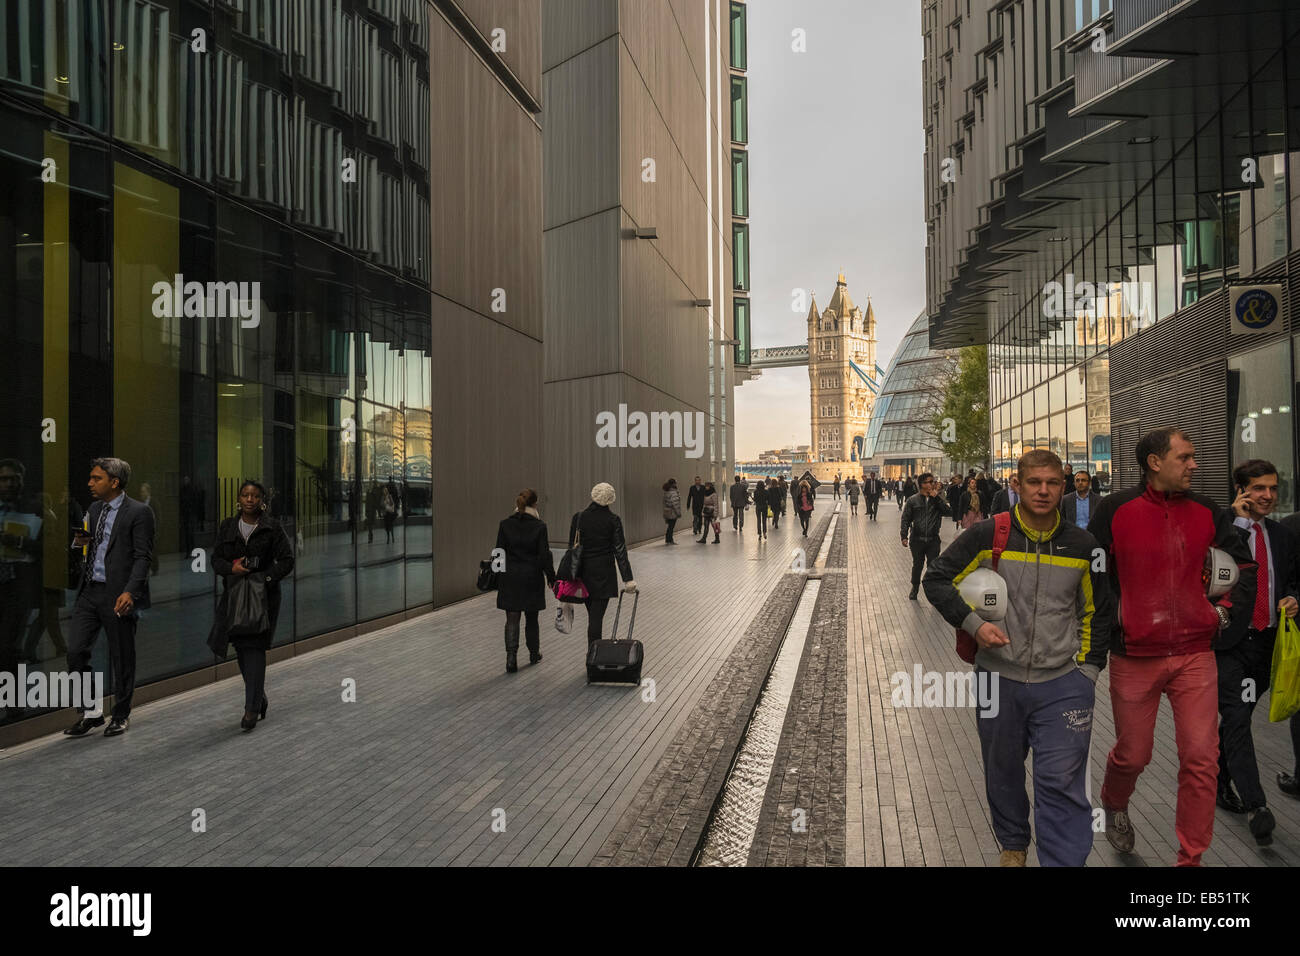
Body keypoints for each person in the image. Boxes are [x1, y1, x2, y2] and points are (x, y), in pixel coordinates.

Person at [925, 449, 1111, 866]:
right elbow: (936, 579)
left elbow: (1099, 612)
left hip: (1065, 683)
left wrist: (1089, 671)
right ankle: (1013, 844)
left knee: (1062, 779)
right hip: (997, 680)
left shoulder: (1084, 546)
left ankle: (1061, 859)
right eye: (1034, 482)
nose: (1043, 491)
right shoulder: (990, 535)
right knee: (1002, 770)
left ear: (1063, 486)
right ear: (1017, 484)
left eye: (1052, 483)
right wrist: (974, 625)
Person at [1090, 427, 1256, 866]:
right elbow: (1090, 575)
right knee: (1133, 755)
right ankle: (1115, 800)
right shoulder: (1114, 510)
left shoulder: (1207, 511)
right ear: (1154, 462)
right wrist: (1107, 631)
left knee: (1202, 758)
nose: (1194, 465)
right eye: (1184, 457)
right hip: (1134, 655)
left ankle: (1191, 858)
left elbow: (1243, 565)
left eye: (1193, 457)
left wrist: (1222, 613)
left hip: (1195, 654)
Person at [1213, 460, 1296, 845]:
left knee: (1239, 716)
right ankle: (1256, 805)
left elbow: (1294, 578)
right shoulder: (1224, 528)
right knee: (1237, 716)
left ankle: (1217, 777)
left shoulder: (1283, 534)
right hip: (1232, 641)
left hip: (1267, 641)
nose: (1267, 496)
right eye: (1259, 488)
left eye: (1272, 488)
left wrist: (1294, 596)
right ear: (1242, 491)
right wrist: (1236, 520)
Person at [64, 458, 156, 738]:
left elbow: (143, 557)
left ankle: (120, 714)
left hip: (118, 594)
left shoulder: (139, 512)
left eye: (96, 478)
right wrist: (79, 545)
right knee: (76, 652)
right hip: (89, 591)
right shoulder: (93, 508)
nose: (90, 483)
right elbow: (82, 544)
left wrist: (130, 591)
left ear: (114, 482)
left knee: (122, 656)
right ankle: (91, 712)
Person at [210, 480, 294, 730]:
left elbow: (287, 560)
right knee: (241, 645)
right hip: (235, 595)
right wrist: (231, 568)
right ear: (239, 498)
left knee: (255, 645)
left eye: (255, 496)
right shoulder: (227, 526)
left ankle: (251, 709)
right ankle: (258, 696)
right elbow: (216, 559)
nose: (249, 499)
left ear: (262, 500)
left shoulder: (272, 527)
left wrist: (264, 578)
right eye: (245, 495)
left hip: (263, 597)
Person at [494, 489, 556, 673]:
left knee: (512, 617)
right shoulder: (539, 527)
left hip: (510, 578)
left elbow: (499, 552)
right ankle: (534, 653)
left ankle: (511, 658)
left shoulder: (505, 525)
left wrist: (498, 578)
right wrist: (551, 577)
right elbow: (544, 555)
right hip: (531, 577)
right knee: (532, 617)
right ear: (535, 505)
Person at [569, 483, 636, 642]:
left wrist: (570, 574)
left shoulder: (579, 518)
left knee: (592, 614)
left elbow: (572, 547)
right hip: (604, 575)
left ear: (593, 495)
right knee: (596, 617)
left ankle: (592, 652)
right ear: (610, 499)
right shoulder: (613, 520)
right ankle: (593, 654)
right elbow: (620, 550)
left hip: (583, 573)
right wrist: (628, 578)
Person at [0, 459, 42, 698]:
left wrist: (17, 541)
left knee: (10, 646)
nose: (8, 484)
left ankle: (14, 701)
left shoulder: (32, 508)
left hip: (18, 586)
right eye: (3, 479)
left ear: (21, 481)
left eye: (13, 478)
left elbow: (48, 548)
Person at [900, 472, 951, 600]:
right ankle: (915, 587)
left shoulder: (937, 499)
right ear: (922, 484)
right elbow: (905, 519)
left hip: (933, 539)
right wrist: (904, 536)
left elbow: (948, 512)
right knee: (917, 565)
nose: (932, 484)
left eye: (932, 481)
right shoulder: (913, 500)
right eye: (929, 482)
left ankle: (933, 591)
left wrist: (937, 499)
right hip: (917, 539)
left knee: (933, 567)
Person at [662, 478, 682, 545]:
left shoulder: (666, 491)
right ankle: (669, 540)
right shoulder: (673, 492)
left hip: (667, 511)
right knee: (671, 527)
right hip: (673, 512)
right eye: (676, 483)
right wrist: (678, 513)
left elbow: (664, 502)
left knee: (670, 526)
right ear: (673, 484)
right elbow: (675, 504)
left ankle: (668, 540)